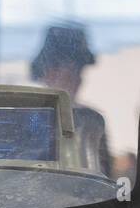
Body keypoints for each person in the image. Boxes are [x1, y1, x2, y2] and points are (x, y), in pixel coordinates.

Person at [30, 23, 112, 178]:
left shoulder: (90, 121)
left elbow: (105, 182)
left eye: (79, 71)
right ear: (47, 72)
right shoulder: (29, 119)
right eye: (71, 70)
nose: (79, 79)